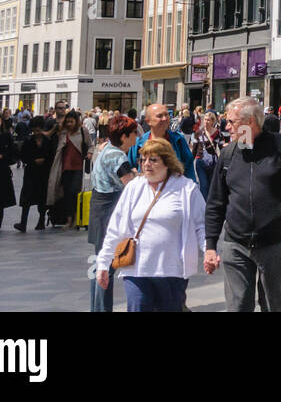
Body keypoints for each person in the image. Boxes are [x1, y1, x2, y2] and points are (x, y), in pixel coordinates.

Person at [203, 96, 281, 312]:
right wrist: (210, 245)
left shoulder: (280, 147)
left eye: (232, 121)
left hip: (273, 242)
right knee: (238, 305)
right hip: (236, 243)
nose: (227, 126)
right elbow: (216, 202)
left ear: (250, 121)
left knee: (273, 304)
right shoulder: (228, 154)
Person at [95, 138, 207, 312]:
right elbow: (115, 228)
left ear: (167, 162)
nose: (146, 164)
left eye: (153, 160)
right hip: (136, 270)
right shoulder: (134, 187)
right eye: (143, 160)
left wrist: (209, 250)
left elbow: (202, 225)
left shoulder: (186, 188)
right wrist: (103, 263)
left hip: (172, 271)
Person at [88, 113, 138, 312]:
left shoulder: (106, 148)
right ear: (124, 136)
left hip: (99, 208)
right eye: (134, 133)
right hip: (108, 210)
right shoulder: (117, 156)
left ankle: (97, 308)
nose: (136, 136)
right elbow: (131, 185)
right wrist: (137, 174)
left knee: (100, 264)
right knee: (105, 265)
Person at [129, 104, 197, 183]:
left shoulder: (178, 140)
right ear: (148, 121)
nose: (165, 118)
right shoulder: (139, 143)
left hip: (174, 191)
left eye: (166, 115)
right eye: (159, 116)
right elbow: (131, 168)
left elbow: (189, 167)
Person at [46, 110, 91, 230]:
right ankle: (68, 219)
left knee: (75, 193)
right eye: (68, 122)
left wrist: (90, 154)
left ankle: (76, 219)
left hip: (78, 166)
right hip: (64, 167)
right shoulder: (63, 132)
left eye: (72, 121)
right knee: (66, 194)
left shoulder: (83, 131)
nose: (70, 124)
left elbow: (90, 145)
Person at [16, 118, 55, 231]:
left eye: (39, 130)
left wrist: (45, 161)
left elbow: (52, 156)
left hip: (44, 173)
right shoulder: (28, 141)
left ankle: (41, 221)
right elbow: (23, 156)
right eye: (35, 131)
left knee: (42, 197)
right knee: (27, 198)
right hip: (31, 173)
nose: (37, 133)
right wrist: (33, 161)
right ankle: (23, 223)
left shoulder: (48, 141)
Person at [191, 112, 224, 201]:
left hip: (213, 162)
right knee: (204, 185)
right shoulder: (198, 133)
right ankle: (203, 207)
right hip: (200, 161)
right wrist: (190, 162)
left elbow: (222, 149)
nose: (206, 121)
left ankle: (210, 205)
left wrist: (223, 163)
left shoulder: (218, 134)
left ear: (213, 121)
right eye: (205, 119)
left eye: (208, 120)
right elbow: (194, 149)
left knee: (211, 185)